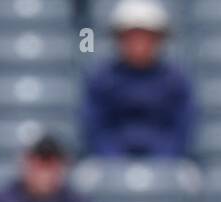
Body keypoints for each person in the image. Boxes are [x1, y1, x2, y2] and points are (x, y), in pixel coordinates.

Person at [81, 0, 196, 158]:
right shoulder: (102, 79)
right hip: (108, 162)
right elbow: (95, 129)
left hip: (168, 162)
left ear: (159, 40)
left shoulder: (176, 81)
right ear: (119, 39)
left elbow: (182, 129)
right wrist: (114, 159)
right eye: (131, 37)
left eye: (145, 37)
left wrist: (162, 160)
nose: (138, 44)